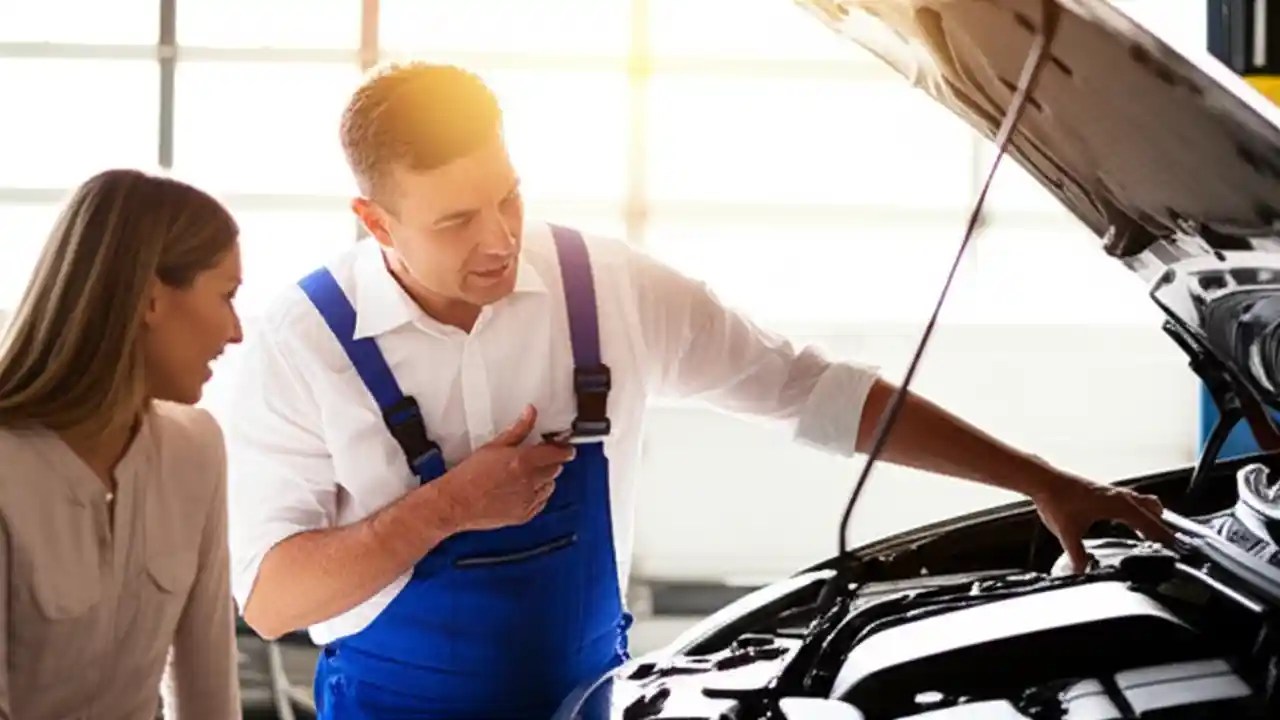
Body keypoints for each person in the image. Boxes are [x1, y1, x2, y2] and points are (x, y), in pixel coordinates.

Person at [225, 62, 1173, 719]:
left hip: (588, 706)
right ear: (373, 220)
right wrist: (444, 509)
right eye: (456, 218)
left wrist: (1040, 481)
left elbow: (819, 393)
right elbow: (270, 600)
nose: (499, 239)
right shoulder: (301, 344)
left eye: (509, 195)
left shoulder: (608, 291)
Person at [0, 168, 244, 719]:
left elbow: (208, 691)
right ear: (151, 299)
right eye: (226, 296)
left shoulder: (197, 449)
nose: (236, 332)